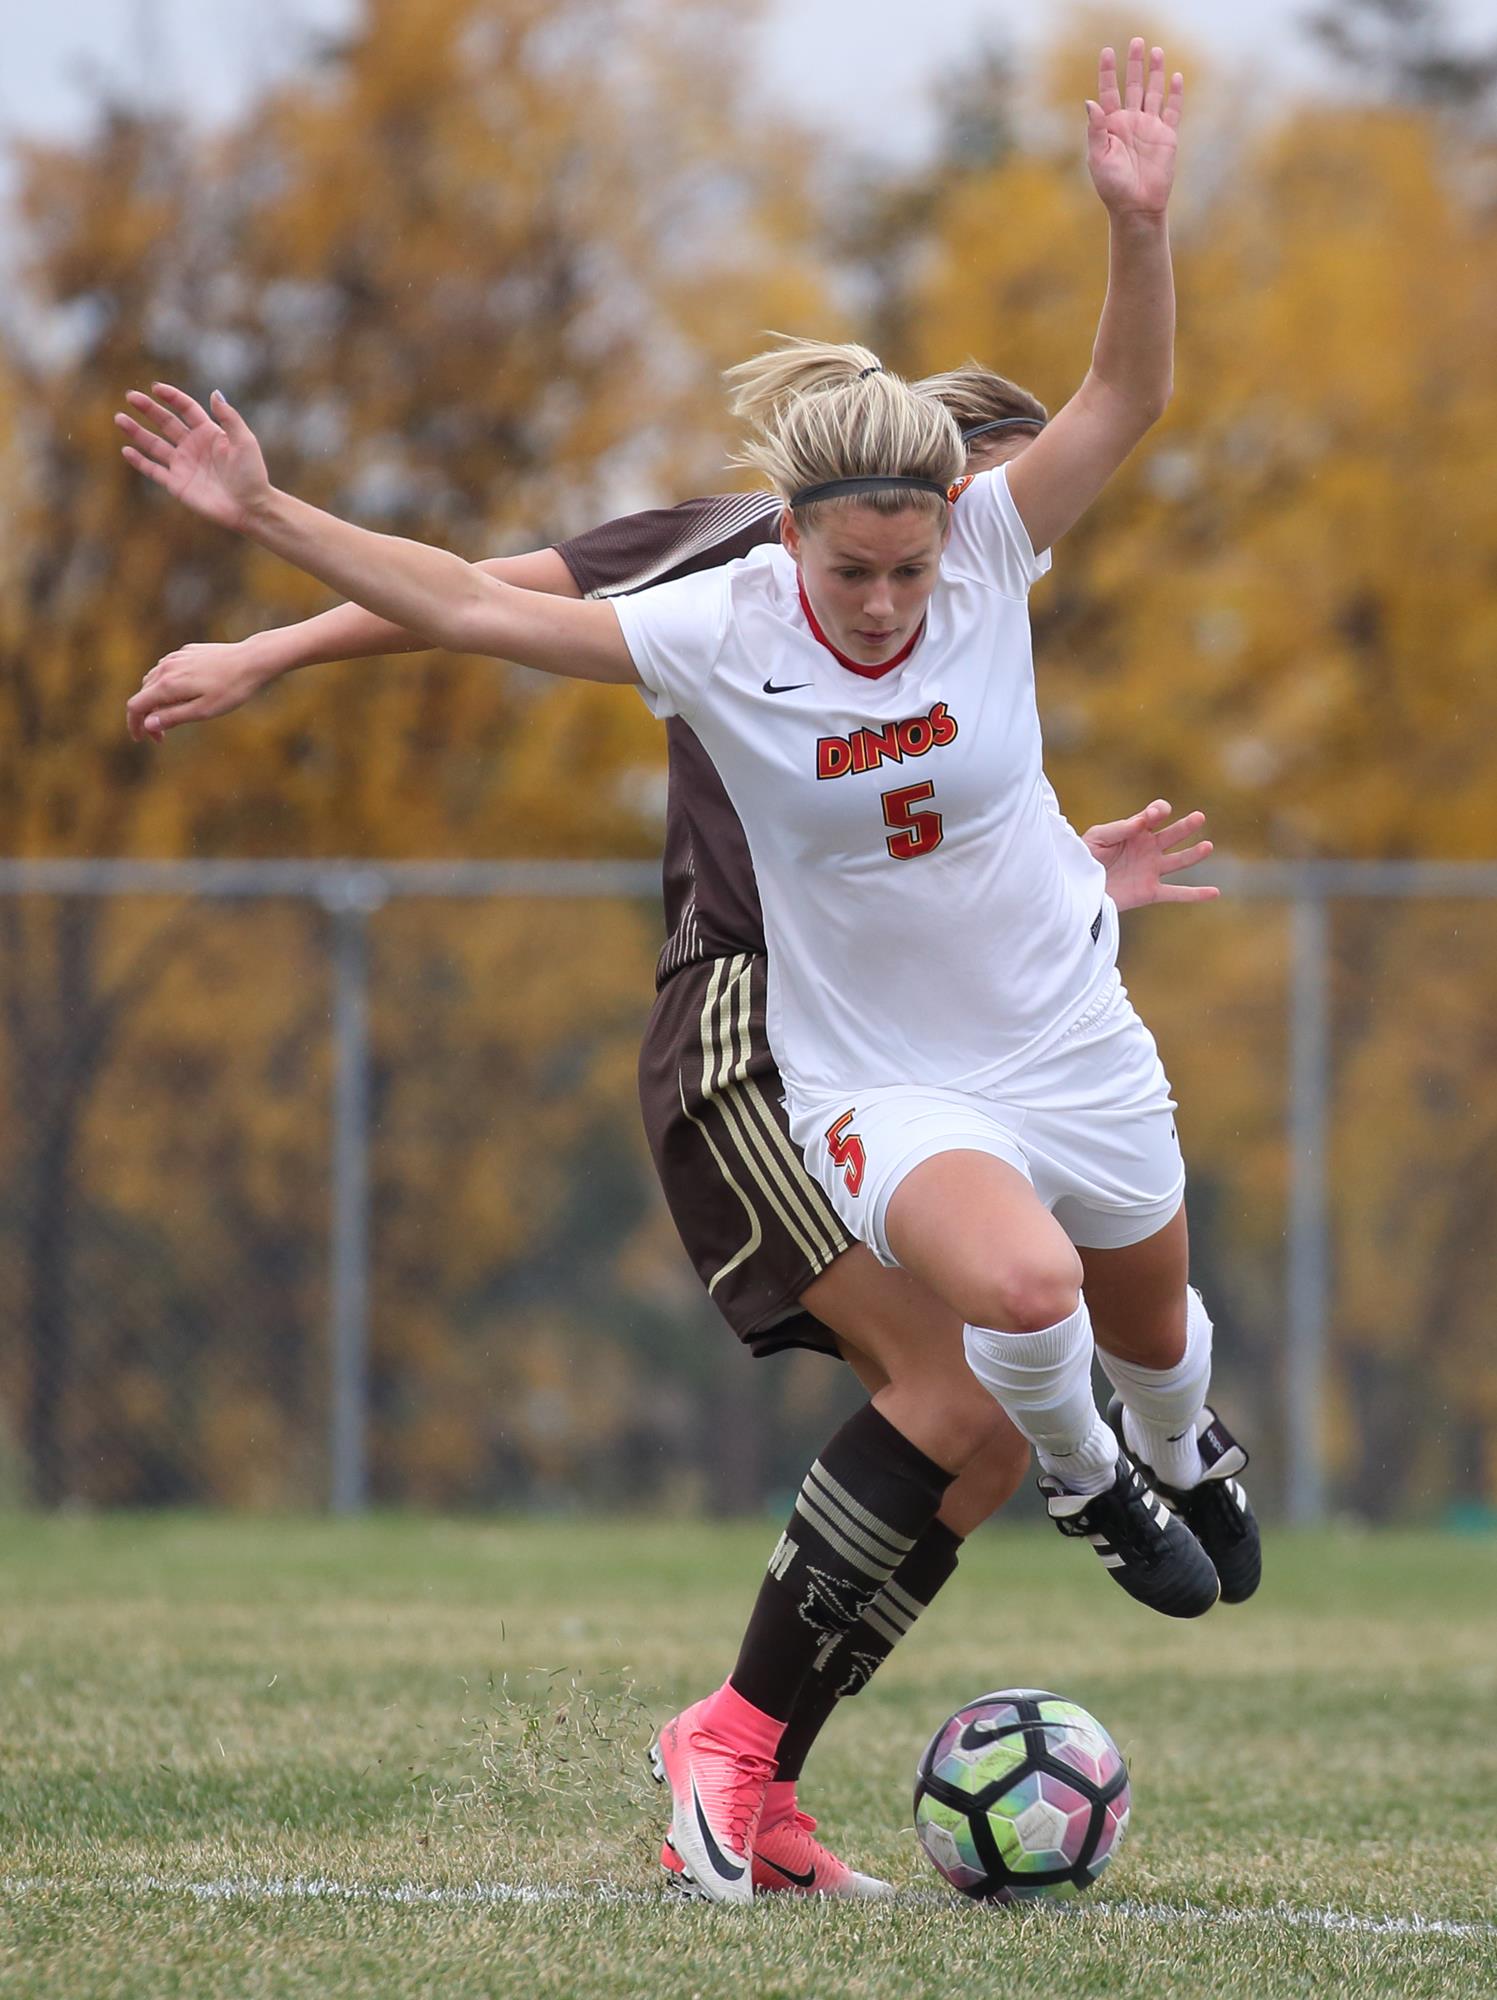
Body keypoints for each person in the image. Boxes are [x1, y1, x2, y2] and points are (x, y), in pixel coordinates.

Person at [117, 38, 1261, 1903]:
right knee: (970, 1396)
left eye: (950, 535)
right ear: (812, 512)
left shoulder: (976, 565)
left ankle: (761, 1761)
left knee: (986, 1410)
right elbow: (474, 590)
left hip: (986, 1033)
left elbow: (969, 788)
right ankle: (734, 1751)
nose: (923, 581)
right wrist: (260, 626)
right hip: (760, 1033)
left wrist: (1064, 879)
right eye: (883, 544)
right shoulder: (720, 585)